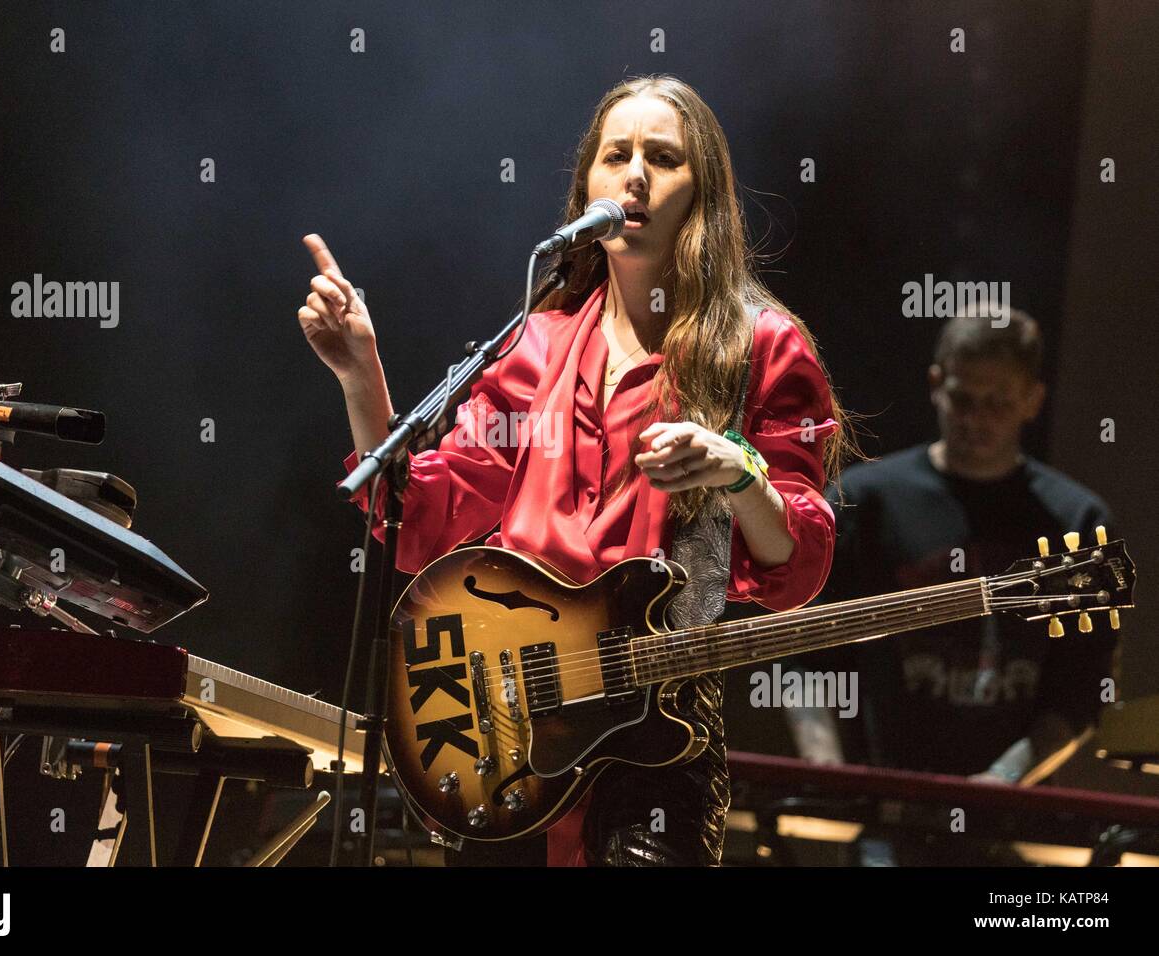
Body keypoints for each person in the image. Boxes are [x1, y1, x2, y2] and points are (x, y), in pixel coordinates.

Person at [299, 74, 855, 866]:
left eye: (663, 158)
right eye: (615, 154)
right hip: (510, 731)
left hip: (652, 740)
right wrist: (363, 375)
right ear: (587, 183)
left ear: (704, 194)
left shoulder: (762, 350)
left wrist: (739, 474)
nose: (634, 175)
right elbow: (420, 522)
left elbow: (799, 567)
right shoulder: (535, 344)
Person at [785, 308, 1119, 865]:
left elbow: (1081, 691)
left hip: (1003, 826)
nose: (978, 420)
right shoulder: (866, 501)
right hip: (879, 819)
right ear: (937, 383)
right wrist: (829, 779)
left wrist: (1002, 779)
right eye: (965, 399)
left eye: (1000, 403)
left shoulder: (1076, 519)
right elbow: (802, 655)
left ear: (1033, 400)